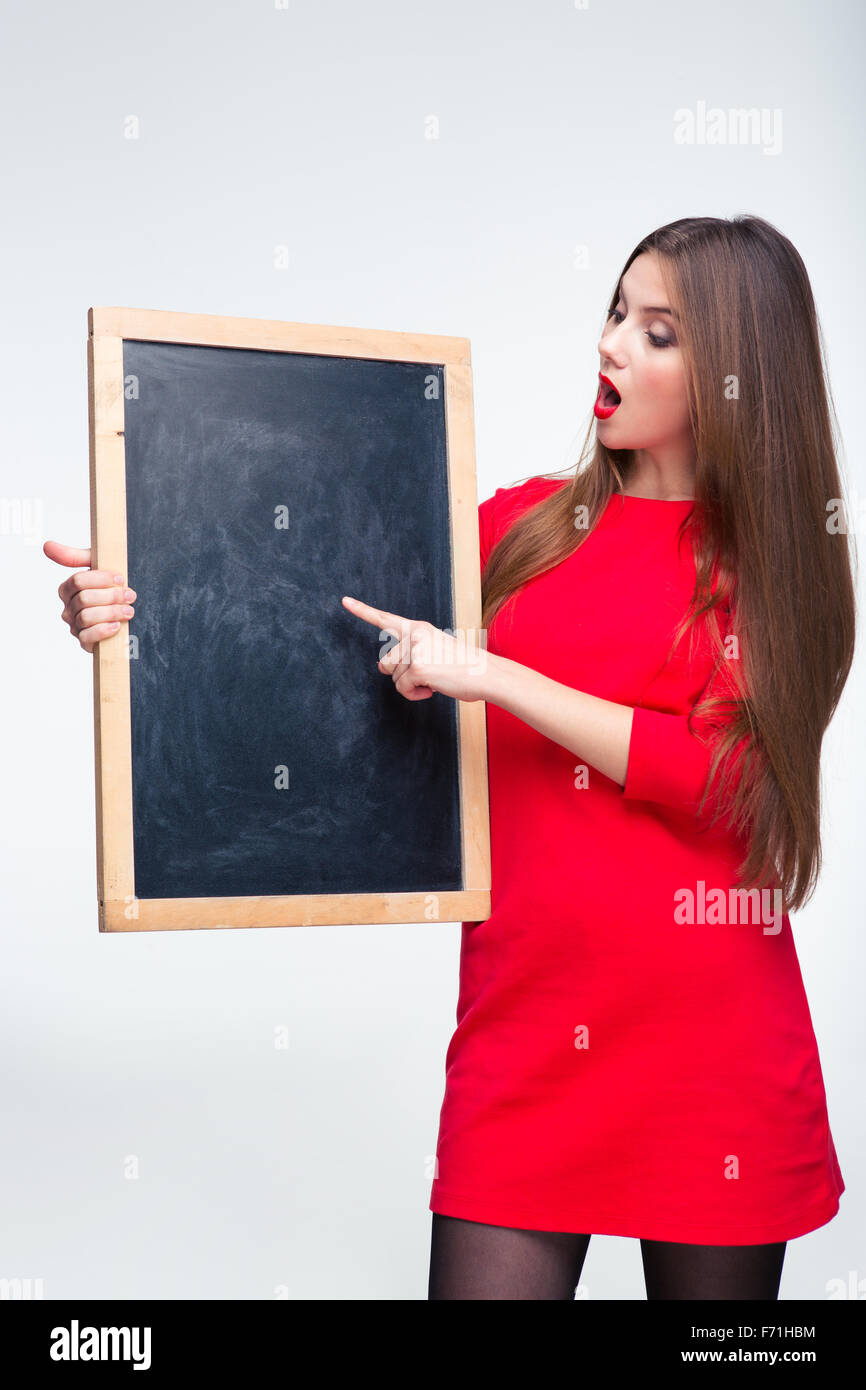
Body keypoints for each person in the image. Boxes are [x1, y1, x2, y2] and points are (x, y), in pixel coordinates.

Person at [46, 214, 854, 1301]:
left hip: (712, 1063)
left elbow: (728, 782)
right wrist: (145, 582)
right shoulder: (519, 530)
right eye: (615, 312)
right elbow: (307, 601)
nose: (611, 344)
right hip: (522, 1046)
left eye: (656, 332)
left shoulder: (772, 571)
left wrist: (497, 676)